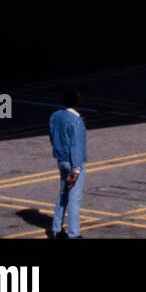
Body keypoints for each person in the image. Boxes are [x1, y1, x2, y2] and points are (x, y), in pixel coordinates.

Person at [49, 89, 87, 239]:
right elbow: (76, 146)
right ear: (77, 102)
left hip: (61, 160)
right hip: (73, 162)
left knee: (63, 193)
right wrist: (77, 169)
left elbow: (52, 136)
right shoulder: (76, 121)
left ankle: (56, 229)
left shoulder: (55, 116)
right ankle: (74, 233)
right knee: (74, 198)